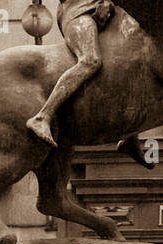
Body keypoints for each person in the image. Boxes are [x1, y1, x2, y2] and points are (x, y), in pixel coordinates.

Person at [25, 0, 115, 148]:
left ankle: (130, 134)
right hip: (80, 15)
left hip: (104, 16)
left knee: (123, 61)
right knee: (90, 60)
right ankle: (43, 116)